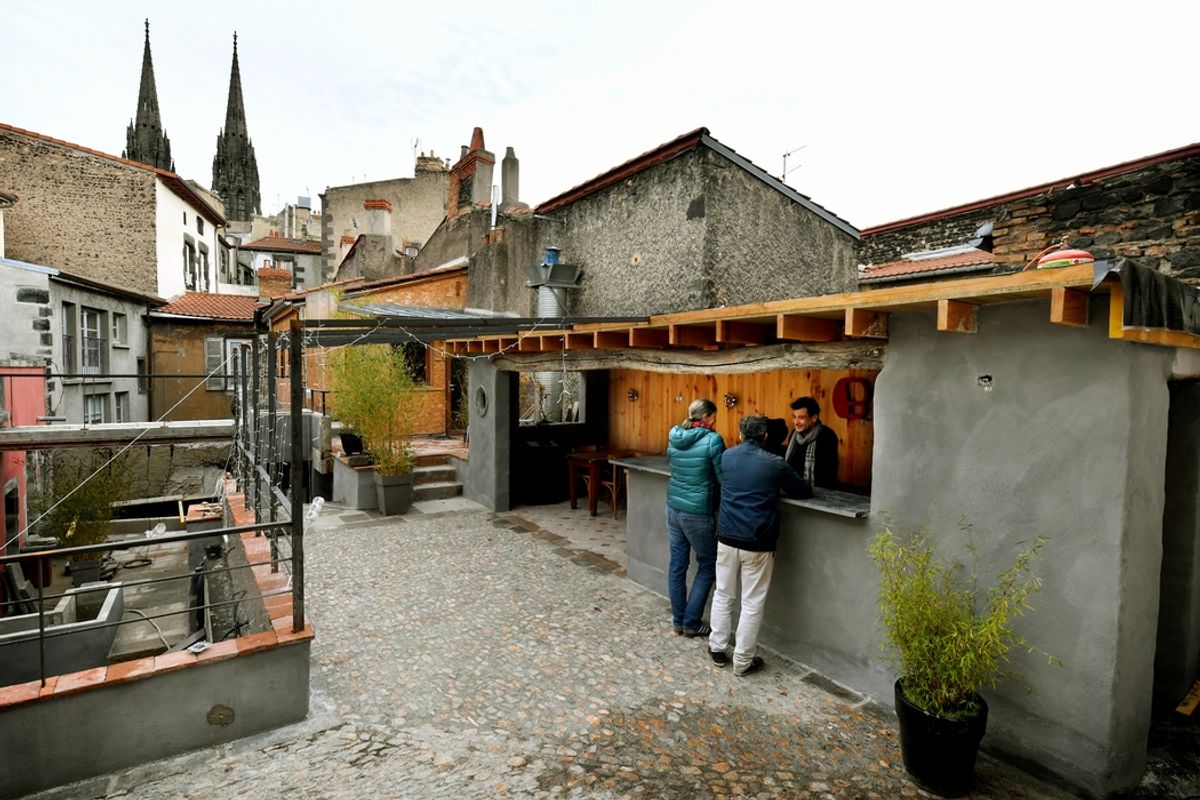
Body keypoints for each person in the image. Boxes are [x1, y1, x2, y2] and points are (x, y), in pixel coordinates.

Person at [708, 415, 811, 675]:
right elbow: (802, 489)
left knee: (723, 594)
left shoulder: (727, 456)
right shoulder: (774, 463)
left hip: (726, 536)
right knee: (752, 602)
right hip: (757, 541)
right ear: (765, 437)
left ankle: (717, 649)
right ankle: (743, 662)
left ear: (740, 434)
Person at [665, 398, 725, 637]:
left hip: (673, 508)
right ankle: (691, 622)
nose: (716, 421)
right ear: (707, 416)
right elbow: (722, 477)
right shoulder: (713, 440)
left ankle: (678, 620)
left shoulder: (675, 435)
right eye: (714, 417)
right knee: (708, 564)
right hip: (698, 512)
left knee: (677, 564)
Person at [784, 396, 839, 489]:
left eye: (801, 418)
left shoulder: (827, 436)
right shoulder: (794, 435)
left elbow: (829, 474)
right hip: (793, 489)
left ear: (814, 418)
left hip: (818, 492)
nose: (796, 422)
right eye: (794, 417)